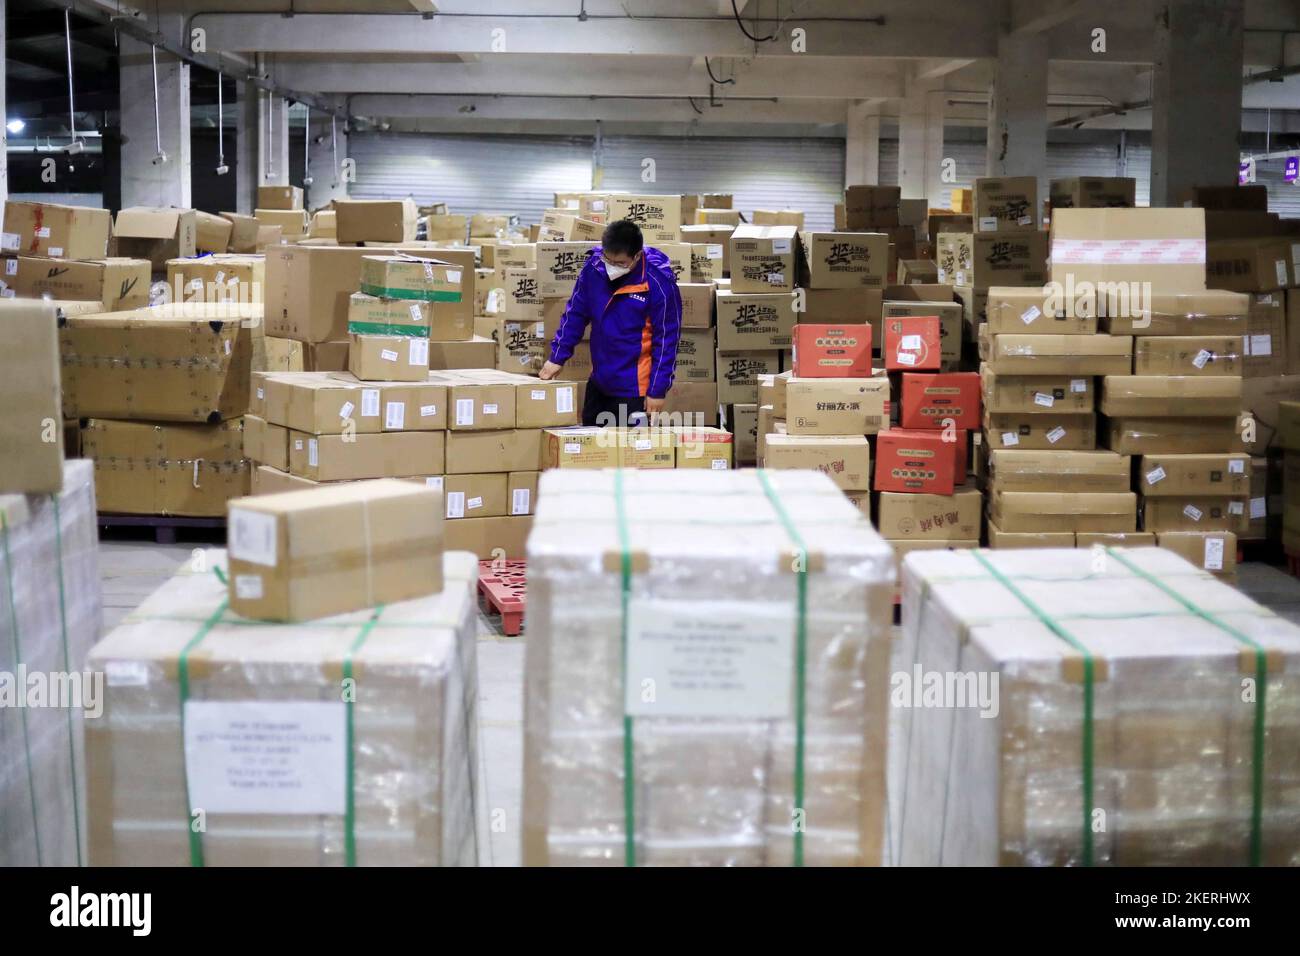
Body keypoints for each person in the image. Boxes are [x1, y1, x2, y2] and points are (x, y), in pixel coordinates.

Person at [539, 219, 682, 427]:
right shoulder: (594, 268)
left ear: (637, 256)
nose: (612, 268)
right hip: (599, 381)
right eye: (609, 260)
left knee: (627, 455)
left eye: (621, 263)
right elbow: (575, 314)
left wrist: (657, 390)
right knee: (592, 451)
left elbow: (667, 342)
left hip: (634, 389)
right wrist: (557, 357)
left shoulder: (659, 284)